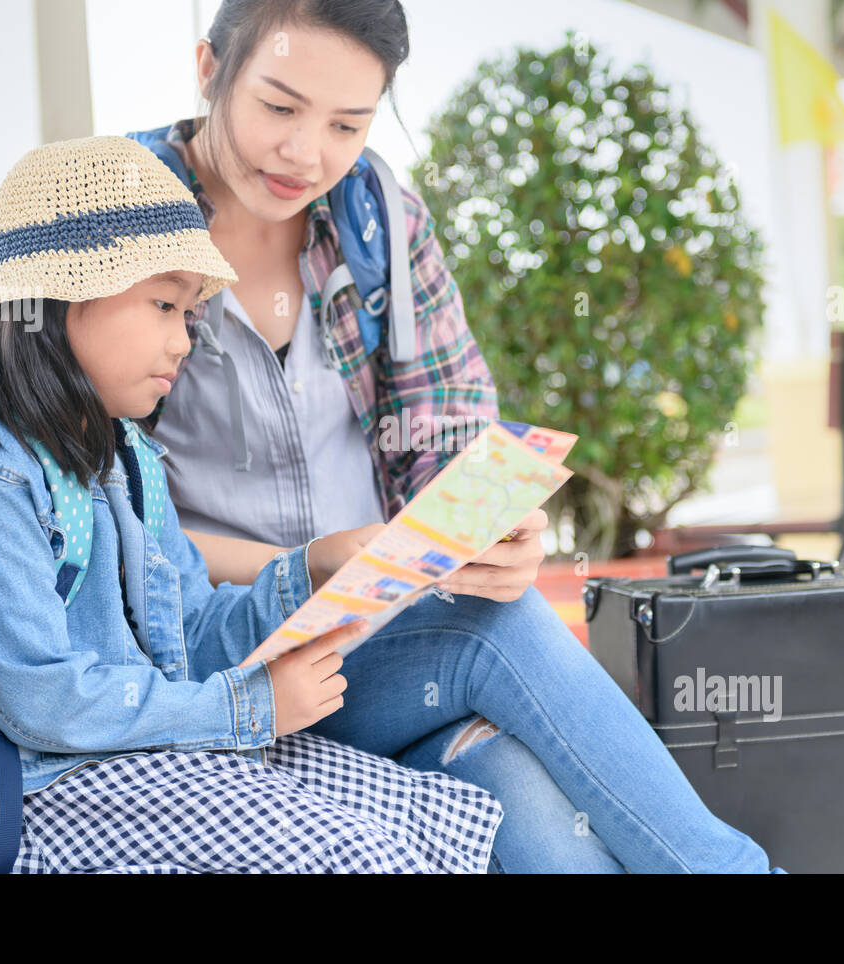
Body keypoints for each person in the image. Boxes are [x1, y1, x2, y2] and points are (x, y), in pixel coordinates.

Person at [140, 0, 785, 873]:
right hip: (214, 658)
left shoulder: (377, 220)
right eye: (280, 107)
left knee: (525, 803)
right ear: (210, 70)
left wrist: (490, 531)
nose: (307, 153)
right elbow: (99, 526)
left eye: (347, 123)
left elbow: (447, 433)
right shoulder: (128, 217)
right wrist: (317, 565)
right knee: (490, 632)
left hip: (369, 650)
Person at [0, 135, 504, 873]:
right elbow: (43, 701)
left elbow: (190, 632)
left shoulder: (120, 454)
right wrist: (251, 708)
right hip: (21, 799)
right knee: (350, 851)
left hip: (128, 763)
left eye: (190, 314)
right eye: (165, 304)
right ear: (59, 296)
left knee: (425, 814)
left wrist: (313, 571)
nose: (183, 341)